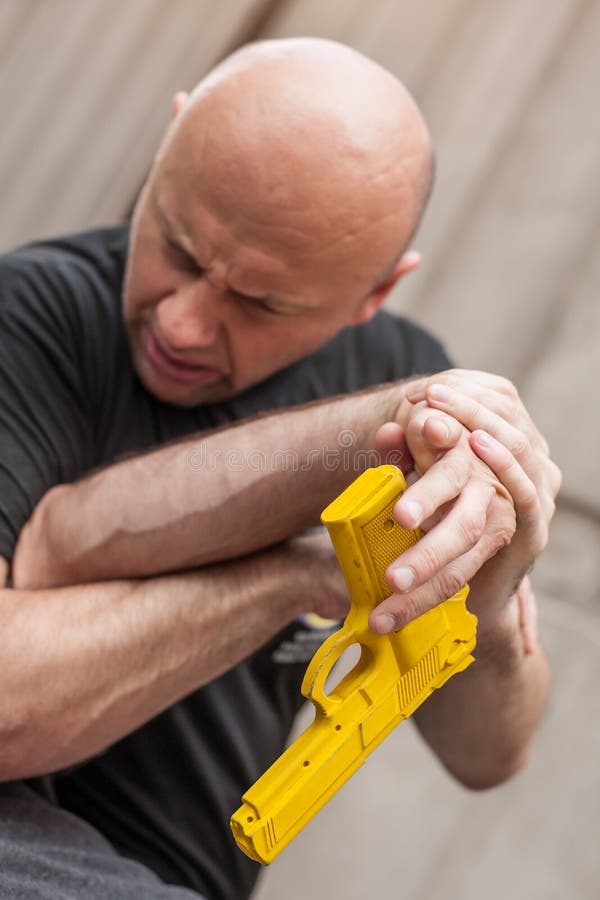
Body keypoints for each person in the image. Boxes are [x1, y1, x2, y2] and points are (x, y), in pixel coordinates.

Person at [0, 38, 559, 900]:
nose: (183, 324)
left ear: (375, 294)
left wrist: (481, 607)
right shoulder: (36, 316)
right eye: (180, 249)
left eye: (263, 304)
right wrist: (291, 576)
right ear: (170, 141)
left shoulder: (408, 374)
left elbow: (490, 756)